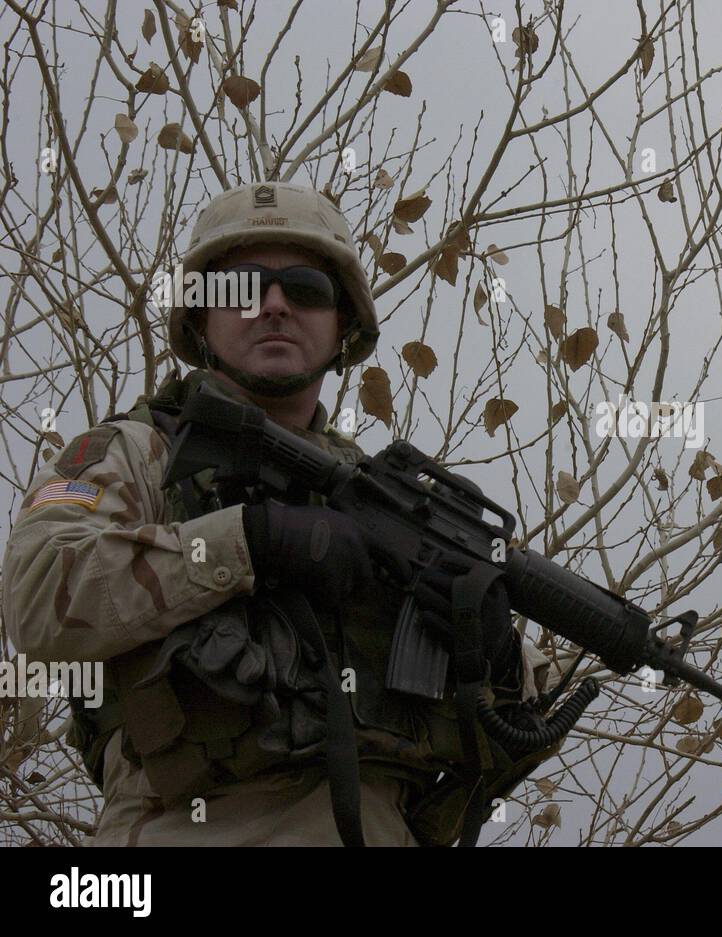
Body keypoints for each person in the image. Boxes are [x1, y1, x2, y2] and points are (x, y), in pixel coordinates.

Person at [2, 181, 553, 846]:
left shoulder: (389, 505)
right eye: (239, 288)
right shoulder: (141, 450)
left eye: (306, 289)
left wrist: (491, 654)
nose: (273, 305)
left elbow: (526, 719)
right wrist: (247, 541)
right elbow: (34, 592)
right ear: (200, 320)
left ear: (344, 325)